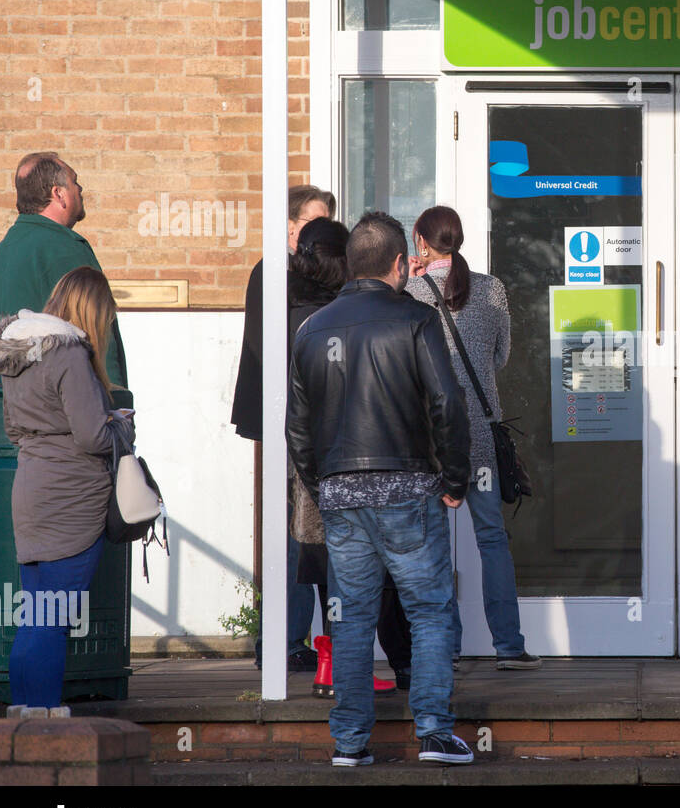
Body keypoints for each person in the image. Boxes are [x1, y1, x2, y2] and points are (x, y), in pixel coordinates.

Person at [287, 211, 473, 766]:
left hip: (341, 496)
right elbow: (448, 403)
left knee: (350, 618)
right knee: (431, 612)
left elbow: (298, 426)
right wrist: (455, 480)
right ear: (399, 264)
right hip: (410, 488)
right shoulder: (416, 319)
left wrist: (322, 488)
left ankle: (348, 742)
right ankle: (435, 733)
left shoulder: (313, 328)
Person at [0, 267, 134, 713]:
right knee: (51, 617)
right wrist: (120, 426)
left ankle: (26, 716)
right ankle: (44, 720)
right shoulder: (68, 353)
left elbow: (15, 428)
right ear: (92, 310)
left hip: (31, 489)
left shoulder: (21, 352)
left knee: (36, 614)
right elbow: (91, 436)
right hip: (72, 498)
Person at [406, 205, 540, 671]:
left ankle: (447, 649)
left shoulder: (408, 295)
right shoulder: (491, 289)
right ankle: (509, 647)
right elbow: (500, 357)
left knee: (434, 545)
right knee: (492, 540)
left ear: (421, 242)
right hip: (480, 434)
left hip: (430, 440)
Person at [231, 184, 335, 673]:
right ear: (292, 227)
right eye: (313, 223)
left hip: (307, 423)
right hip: (289, 423)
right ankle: (285, 639)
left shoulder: (308, 275)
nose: (319, 233)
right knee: (295, 534)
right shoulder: (277, 274)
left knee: (310, 532)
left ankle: (302, 639)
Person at [0, 153, 127, 389]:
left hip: (1, 412)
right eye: (75, 181)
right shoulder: (65, 248)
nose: (80, 189)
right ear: (58, 194)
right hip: (54, 416)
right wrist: (117, 404)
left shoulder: (1, 253)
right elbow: (98, 333)